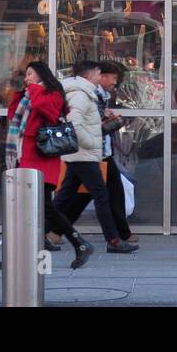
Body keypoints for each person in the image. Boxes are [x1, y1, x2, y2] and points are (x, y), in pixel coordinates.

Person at [0, 61, 94, 270]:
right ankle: (27, 251)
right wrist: (22, 94)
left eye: (31, 74)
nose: (27, 78)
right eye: (26, 75)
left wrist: (33, 91)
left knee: (45, 206)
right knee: (25, 206)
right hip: (25, 155)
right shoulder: (29, 95)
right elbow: (12, 116)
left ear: (42, 74)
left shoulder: (53, 95)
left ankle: (79, 243)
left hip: (43, 157)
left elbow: (48, 111)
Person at [51, 61, 138, 255]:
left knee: (65, 197)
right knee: (101, 195)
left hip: (85, 155)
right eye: (99, 74)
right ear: (90, 76)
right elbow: (74, 124)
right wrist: (91, 141)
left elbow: (86, 121)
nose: (101, 78)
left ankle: (44, 231)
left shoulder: (87, 94)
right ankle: (114, 239)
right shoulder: (81, 95)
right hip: (85, 154)